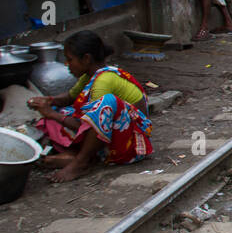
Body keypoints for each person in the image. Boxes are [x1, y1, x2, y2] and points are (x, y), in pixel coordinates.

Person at [27, 30, 153, 183]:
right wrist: (48, 101)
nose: (67, 65)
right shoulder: (89, 76)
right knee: (60, 111)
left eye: (69, 59)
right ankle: (78, 155)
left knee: (106, 103)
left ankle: (81, 162)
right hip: (107, 136)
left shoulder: (104, 81)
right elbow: (69, 97)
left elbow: (87, 125)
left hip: (129, 145)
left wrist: (51, 114)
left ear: (86, 59)